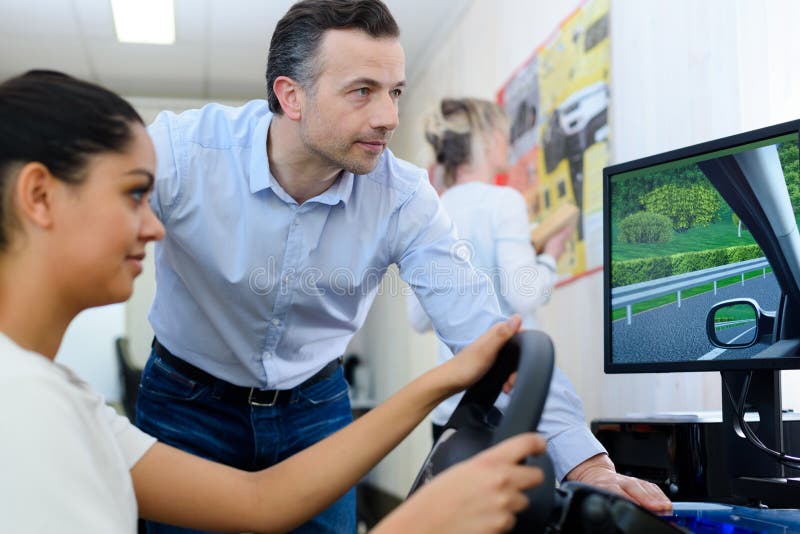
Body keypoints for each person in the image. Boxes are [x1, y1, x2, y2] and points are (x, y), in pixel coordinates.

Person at [137, 1, 672, 531]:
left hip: (314, 408)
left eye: (394, 92)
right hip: (186, 401)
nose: (389, 117)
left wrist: (589, 467)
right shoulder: (183, 153)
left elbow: (486, 329)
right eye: (362, 91)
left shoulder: (403, 197)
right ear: (291, 95)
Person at [0, 69, 548, 534]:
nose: (156, 227)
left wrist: (444, 380)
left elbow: (260, 502)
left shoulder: (66, 400)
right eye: (134, 194)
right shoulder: (23, 403)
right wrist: (421, 523)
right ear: (40, 196)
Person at [407, 97, 575, 441]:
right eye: (502, 133)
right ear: (485, 139)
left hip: (452, 410)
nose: (507, 142)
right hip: (509, 408)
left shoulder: (430, 212)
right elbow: (523, 294)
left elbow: (419, 318)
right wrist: (550, 257)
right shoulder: (503, 202)